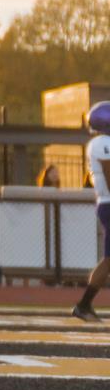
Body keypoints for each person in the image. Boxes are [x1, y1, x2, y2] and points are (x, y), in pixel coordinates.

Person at [73, 102, 110, 322]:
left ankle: (84, 304)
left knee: (108, 260)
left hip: (106, 203)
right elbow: (108, 173)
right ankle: (84, 304)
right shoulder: (102, 142)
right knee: (108, 260)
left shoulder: (99, 142)